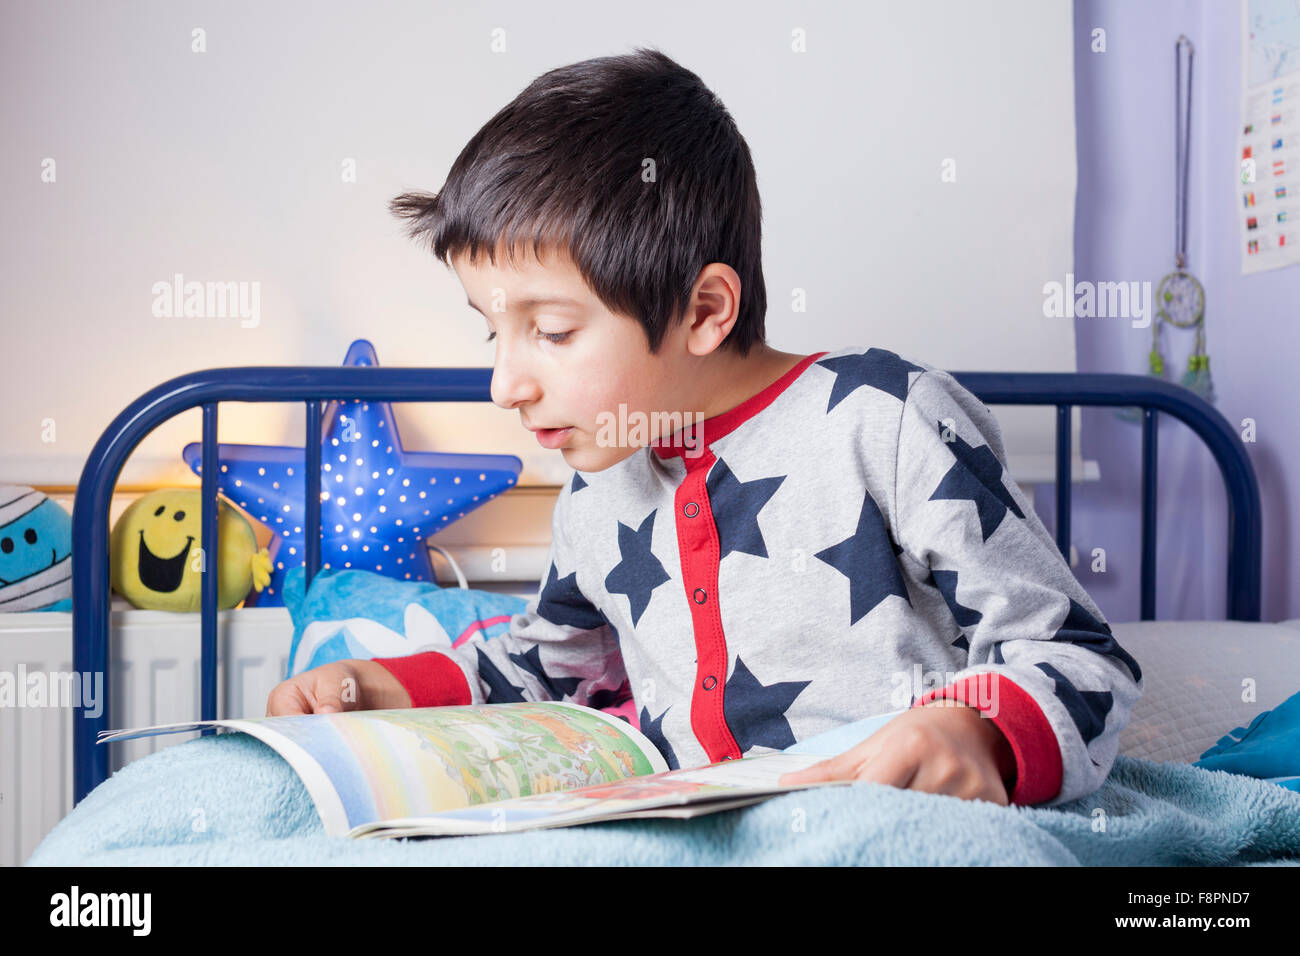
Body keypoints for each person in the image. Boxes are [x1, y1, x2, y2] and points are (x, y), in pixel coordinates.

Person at [266, 48, 1142, 808]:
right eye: (490, 328)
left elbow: (1074, 655)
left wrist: (979, 734)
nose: (504, 382)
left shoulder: (884, 419)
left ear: (704, 309)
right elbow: (551, 667)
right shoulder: (599, 487)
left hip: (887, 817)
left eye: (553, 331)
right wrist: (390, 684)